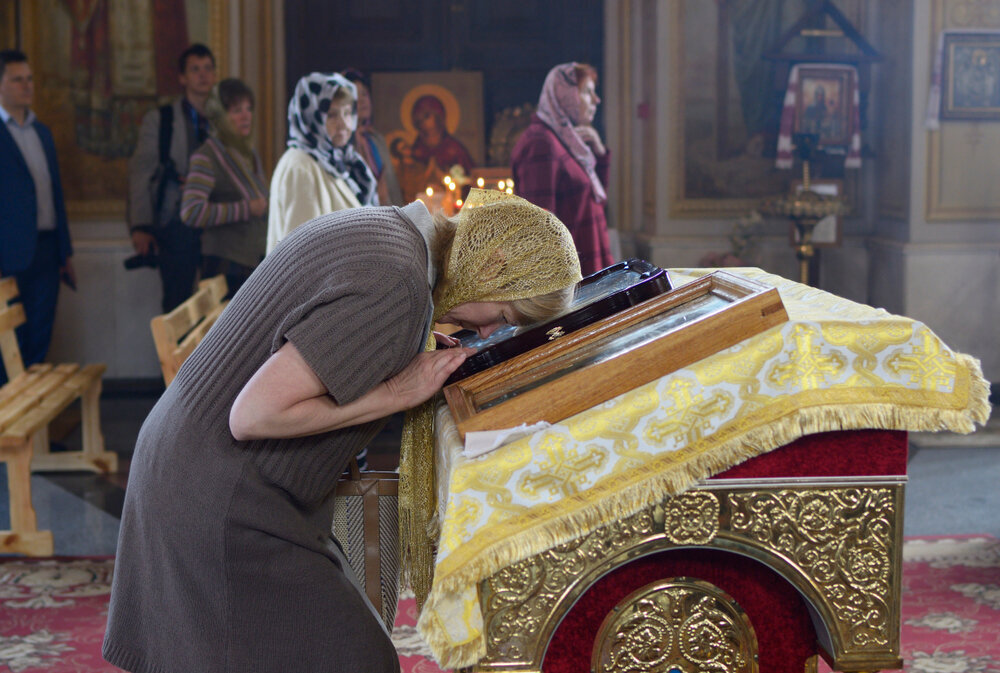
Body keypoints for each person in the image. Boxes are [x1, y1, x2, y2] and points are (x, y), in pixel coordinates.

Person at [102, 188, 581, 673]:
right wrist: (396, 391)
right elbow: (253, 415)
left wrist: (396, 349)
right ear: (492, 266)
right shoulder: (397, 283)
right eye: (502, 318)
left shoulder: (392, 233)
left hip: (199, 469)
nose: (483, 334)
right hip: (224, 498)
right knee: (353, 658)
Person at [0, 49, 74, 383]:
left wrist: (65, 252)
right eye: (17, 79)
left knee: (39, 338)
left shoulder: (41, 132)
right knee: (8, 346)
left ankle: (36, 435)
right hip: (9, 256)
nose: (26, 86)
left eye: (29, 79)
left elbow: (55, 194)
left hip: (46, 251)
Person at [128, 43, 216, 312]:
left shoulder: (223, 118)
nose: (202, 75)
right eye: (195, 69)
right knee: (178, 303)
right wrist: (140, 226)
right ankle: (174, 356)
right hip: (175, 222)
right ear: (183, 78)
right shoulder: (162, 119)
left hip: (216, 223)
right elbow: (142, 171)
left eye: (208, 69)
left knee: (216, 306)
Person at [511, 62, 615, 275]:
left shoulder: (567, 140)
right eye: (587, 92)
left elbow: (596, 200)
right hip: (571, 280)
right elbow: (539, 227)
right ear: (565, 95)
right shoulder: (541, 143)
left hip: (587, 267)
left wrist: (599, 151)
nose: (596, 100)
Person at [266, 72, 377, 253]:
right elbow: (303, 253)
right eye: (332, 115)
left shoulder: (341, 161)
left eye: (347, 113)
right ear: (310, 117)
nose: (343, 124)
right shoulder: (300, 165)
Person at [180, 78, 268, 298]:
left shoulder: (247, 152)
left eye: (248, 109)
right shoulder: (206, 156)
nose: (246, 116)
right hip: (224, 268)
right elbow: (191, 212)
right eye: (237, 110)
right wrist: (246, 208)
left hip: (249, 266)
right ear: (220, 116)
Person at [343, 68, 404, 206]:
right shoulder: (344, 144)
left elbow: (392, 186)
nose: (362, 100)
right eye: (355, 96)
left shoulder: (376, 139)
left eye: (364, 94)